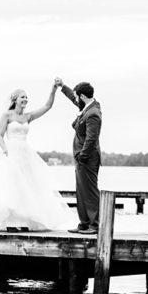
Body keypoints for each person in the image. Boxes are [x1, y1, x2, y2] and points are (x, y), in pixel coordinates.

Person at [0, 80, 75, 232]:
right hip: (10, 153)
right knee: (10, 186)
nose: (25, 100)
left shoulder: (28, 116)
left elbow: (47, 106)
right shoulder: (6, 115)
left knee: (27, 187)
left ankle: (25, 221)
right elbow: (0, 136)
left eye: (26, 97)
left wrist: (53, 90)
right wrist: (5, 149)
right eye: (22, 97)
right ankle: (11, 222)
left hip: (25, 154)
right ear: (15, 100)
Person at [56, 78, 102, 234]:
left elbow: (91, 138)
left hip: (88, 158)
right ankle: (84, 223)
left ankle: (94, 225)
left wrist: (82, 156)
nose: (75, 100)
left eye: (77, 97)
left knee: (89, 191)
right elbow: (72, 98)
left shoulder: (93, 113)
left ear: (82, 96)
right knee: (81, 191)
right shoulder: (87, 107)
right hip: (81, 158)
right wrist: (62, 86)